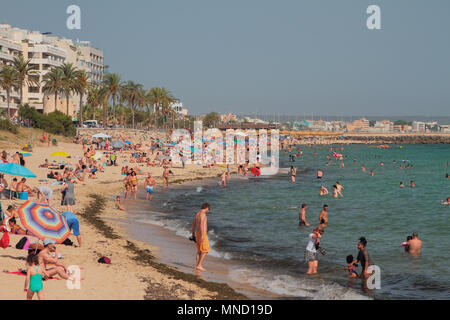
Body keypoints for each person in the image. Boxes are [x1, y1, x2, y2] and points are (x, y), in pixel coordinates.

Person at [191, 203, 211, 271]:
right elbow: (202, 225)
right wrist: (203, 235)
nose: (208, 210)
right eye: (209, 209)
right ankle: (199, 265)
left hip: (197, 233)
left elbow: (193, 224)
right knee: (206, 250)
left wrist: (193, 234)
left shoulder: (197, 214)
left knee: (199, 251)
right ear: (207, 208)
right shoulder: (203, 215)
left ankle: (197, 266)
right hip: (202, 234)